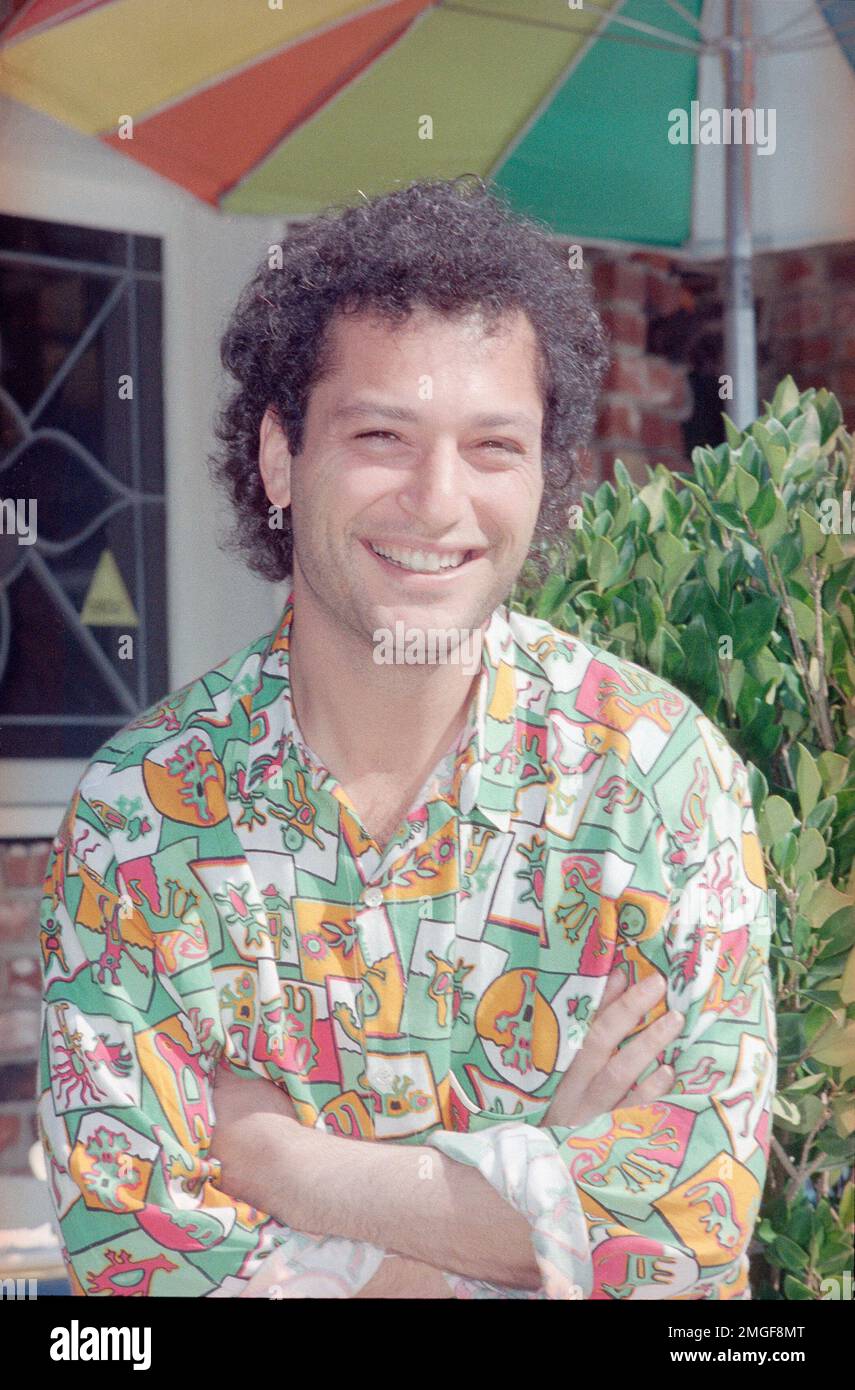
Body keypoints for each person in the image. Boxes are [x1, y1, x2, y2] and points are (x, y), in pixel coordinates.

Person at [37, 177, 775, 1300]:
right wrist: (529, 1208)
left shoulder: (656, 786)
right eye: (383, 434)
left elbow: (686, 1229)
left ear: (543, 477)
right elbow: (135, 1262)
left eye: (493, 446)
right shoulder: (141, 817)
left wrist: (283, 1163)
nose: (438, 502)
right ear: (283, 458)